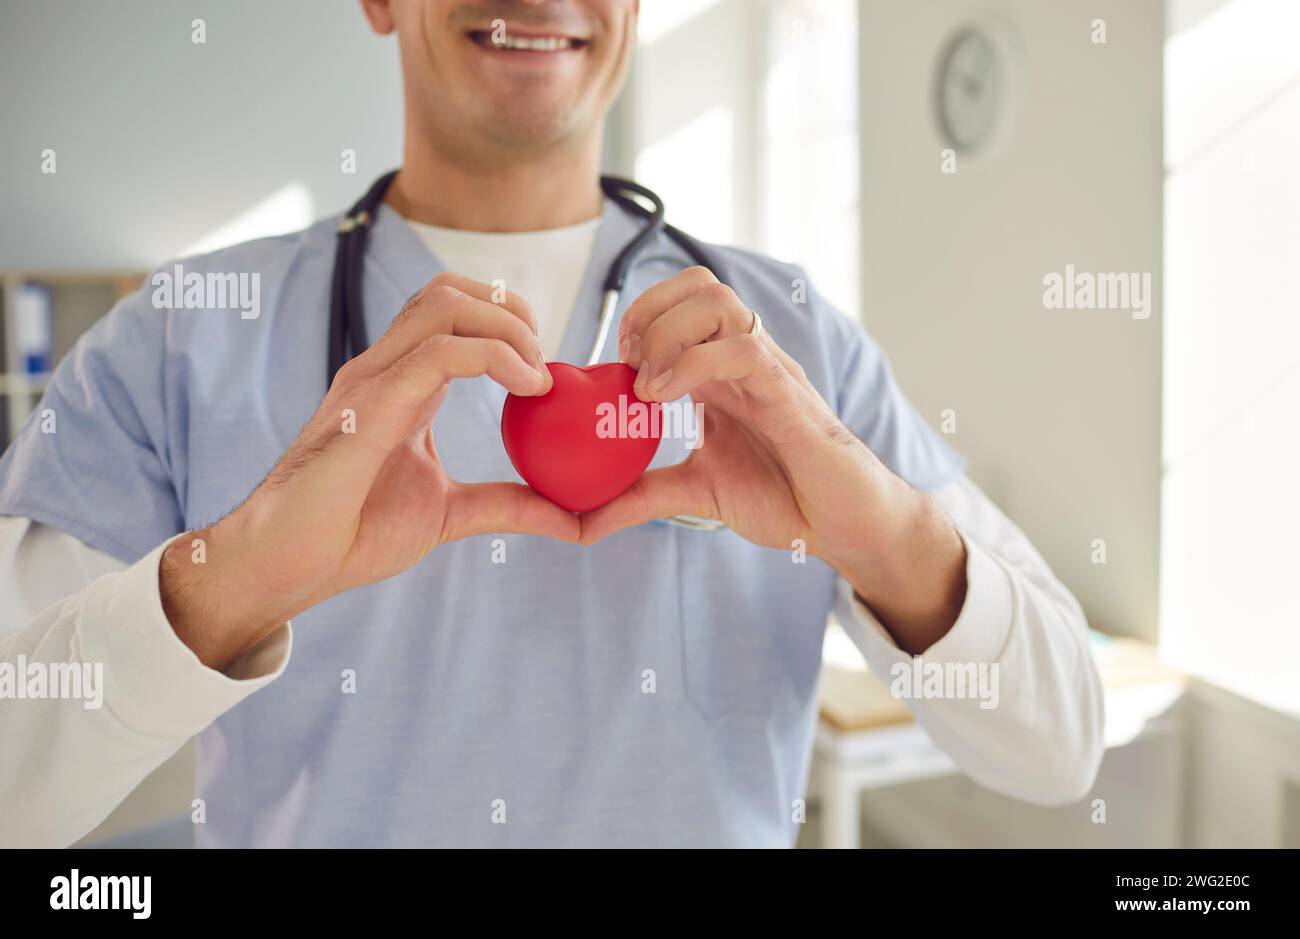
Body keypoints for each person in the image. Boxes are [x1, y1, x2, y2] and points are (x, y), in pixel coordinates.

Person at [0, 0, 1102, 847]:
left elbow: (1061, 749)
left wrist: (883, 541)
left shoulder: (791, 349)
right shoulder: (179, 340)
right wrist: (232, 578)